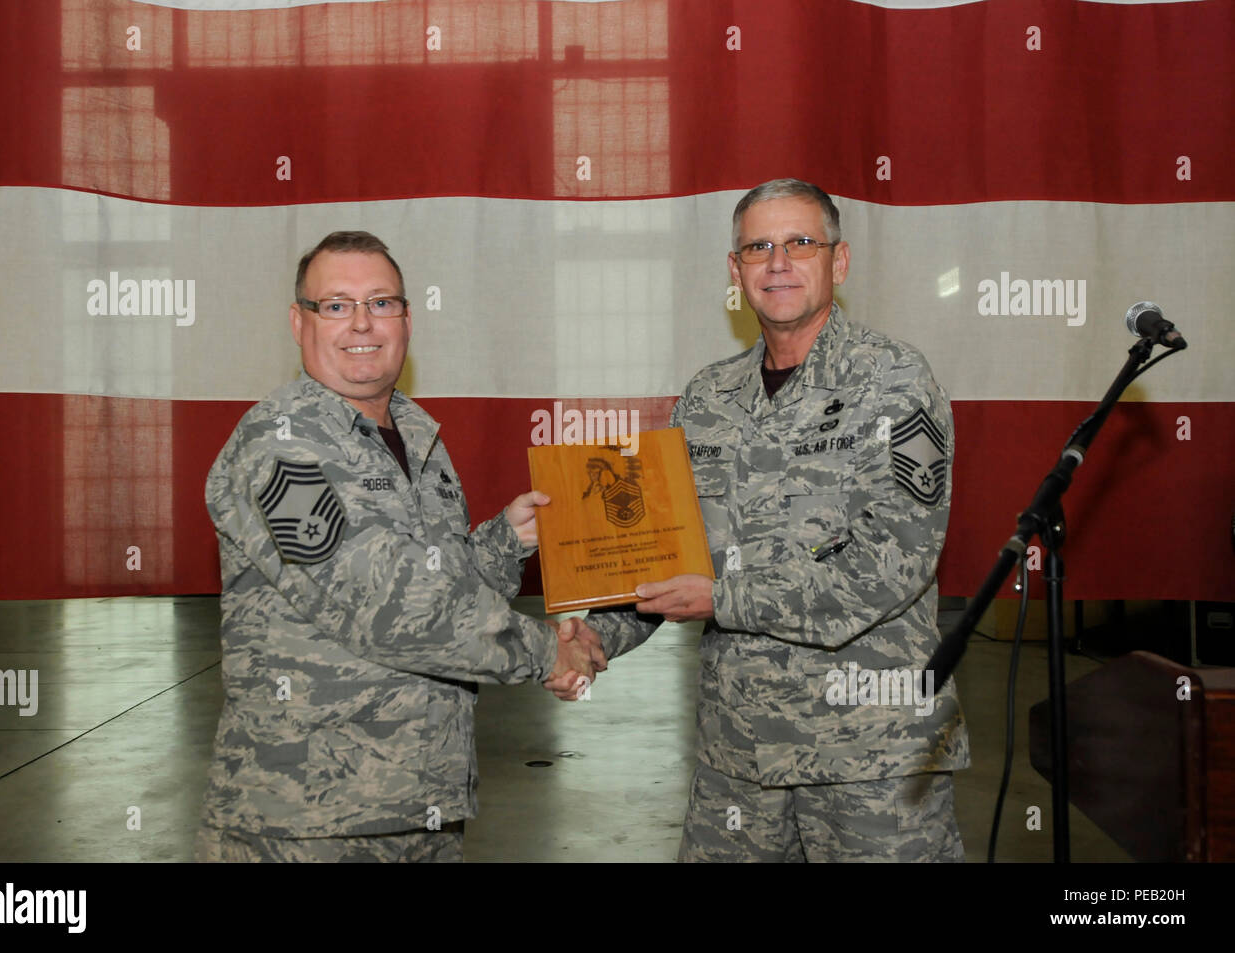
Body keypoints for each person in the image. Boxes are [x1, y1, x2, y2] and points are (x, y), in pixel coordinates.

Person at [550, 179, 970, 862]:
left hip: (871, 759)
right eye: (758, 247)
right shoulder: (707, 398)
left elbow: (893, 563)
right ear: (735, 269)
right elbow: (666, 560)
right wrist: (595, 635)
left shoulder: (894, 381)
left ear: (838, 262)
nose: (778, 262)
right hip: (738, 758)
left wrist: (722, 598)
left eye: (800, 243)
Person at [196, 230, 605, 863]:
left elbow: (434, 576)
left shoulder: (412, 434)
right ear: (298, 322)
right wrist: (548, 651)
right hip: (308, 820)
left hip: (420, 805)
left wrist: (506, 540)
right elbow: (385, 603)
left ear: (407, 320)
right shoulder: (280, 444)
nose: (362, 322)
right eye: (335, 305)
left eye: (381, 303)